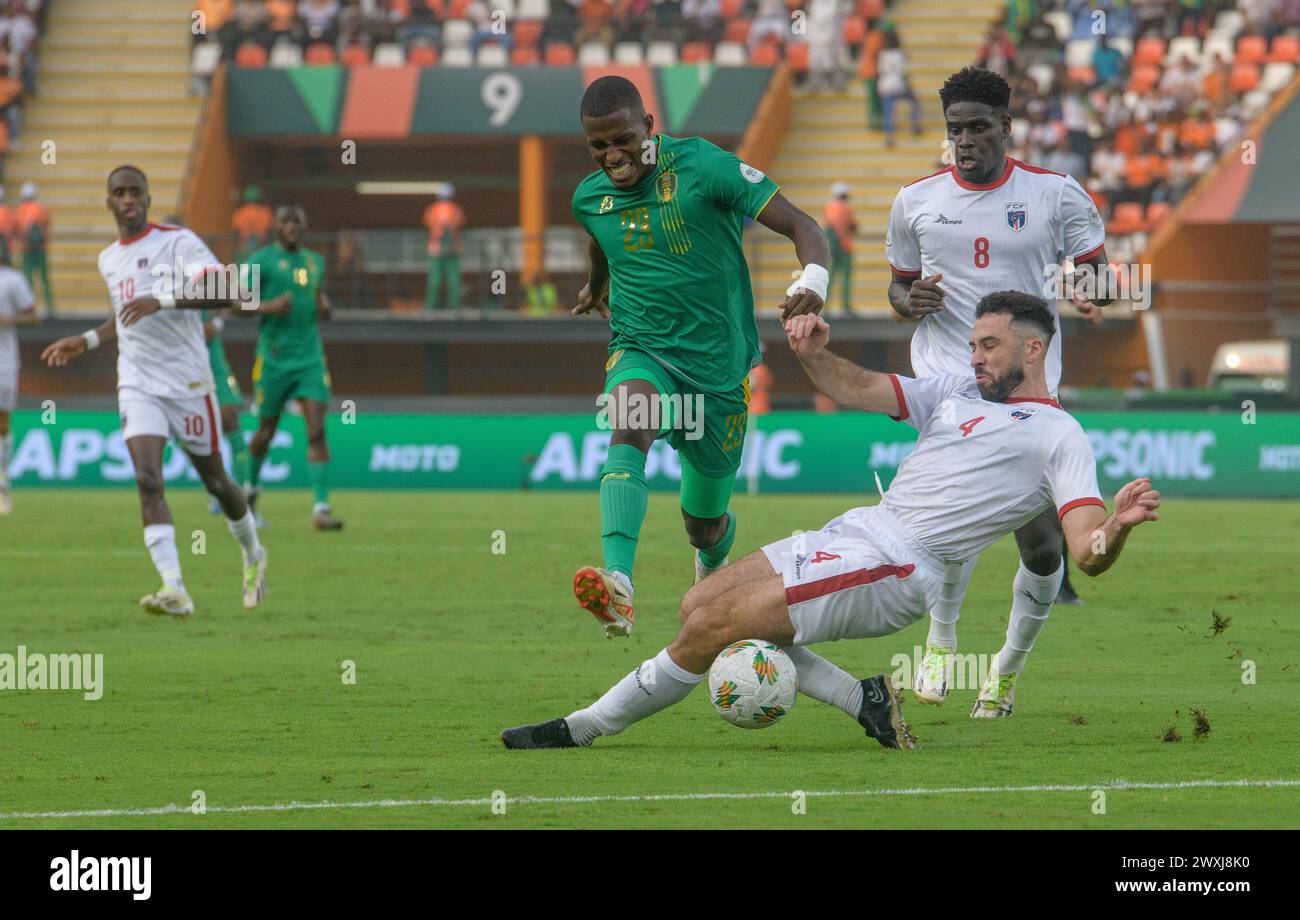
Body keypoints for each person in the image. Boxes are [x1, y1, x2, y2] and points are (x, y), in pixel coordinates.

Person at [501, 292, 1161, 748]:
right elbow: (855, 386)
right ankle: (865, 701)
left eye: (989, 345)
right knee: (697, 600)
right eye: (973, 344)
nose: (976, 356)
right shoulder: (958, 391)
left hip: (897, 569)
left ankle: (581, 728)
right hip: (860, 530)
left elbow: (1088, 549)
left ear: (1035, 348)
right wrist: (814, 351)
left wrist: (1120, 526)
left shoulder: (1059, 435)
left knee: (713, 629)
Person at [885, 67, 1114, 710]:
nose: (964, 140)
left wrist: (1091, 291)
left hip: (1026, 390)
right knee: (951, 531)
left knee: (1042, 546)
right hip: (949, 383)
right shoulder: (915, 200)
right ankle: (941, 643)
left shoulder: (1057, 194)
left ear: (1006, 128)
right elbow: (899, 286)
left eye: (978, 128)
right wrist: (910, 300)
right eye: (955, 129)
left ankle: (1006, 669)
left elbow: (1098, 274)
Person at [569, 75, 829, 639]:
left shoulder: (704, 168)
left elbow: (803, 225)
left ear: (649, 128)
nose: (613, 156)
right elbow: (602, 236)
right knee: (627, 425)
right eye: (598, 146)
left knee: (703, 525)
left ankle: (711, 575)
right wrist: (597, 286)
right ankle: (618, 584)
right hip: (643, 350)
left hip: (717, 374)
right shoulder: (591, 197)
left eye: (623, 139)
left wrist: (813, 281)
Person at [40, 166, 267, 616]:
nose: (128, 200)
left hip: (187, 382)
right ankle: (175, 588)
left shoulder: (177, 242)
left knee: (217, 481)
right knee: (148, 481)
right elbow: (123, 317)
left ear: (147, 197)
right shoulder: (109, 258)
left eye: (135, 192)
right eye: (119, 193)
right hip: (138, 382)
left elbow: (235, 293)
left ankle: (253, 555)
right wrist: (85, 341)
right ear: (108, 202)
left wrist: (162, 300)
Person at [241, 204, 343, 530]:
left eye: (297, 221)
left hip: (310, 358)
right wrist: (268, 306)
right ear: (277, 227)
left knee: (316, 427)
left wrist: (325, 308)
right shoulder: (260, 262)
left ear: (305, 225)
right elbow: (235, 302)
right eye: (286, 221)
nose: (292, 227)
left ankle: (321, 508)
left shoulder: (316, 262)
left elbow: (317, 300)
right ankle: (250, 492)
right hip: (272, 360)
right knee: (266, 431)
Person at [0, 246, 35, 513]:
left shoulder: (12, 280)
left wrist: (8, 319)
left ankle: (3, 483)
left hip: (4, 361)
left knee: (2, 422)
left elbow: (32, 316)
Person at [422, 183, 464, 311]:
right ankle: (452, 308)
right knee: (448, 281)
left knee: (441, 281)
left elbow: (427, 223)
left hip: (441, 249)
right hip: (447, 250)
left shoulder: (433, 209)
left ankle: (432, 308)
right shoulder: (454, 209)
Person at [877, 29, 922, 147]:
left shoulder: (883, 54)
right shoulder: (900, 54)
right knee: (914, 101)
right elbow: (904, 72)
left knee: (888, 112)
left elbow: (880, 70)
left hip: (885, 85)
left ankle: (889, 137)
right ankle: (915, 125)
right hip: (898, 84)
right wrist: (909, 86)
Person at [15, 182, 50, 315]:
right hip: (41, 249)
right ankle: (50, 307)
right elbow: (47, 225)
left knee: (28, 279)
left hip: (27, 249)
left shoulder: (21, 210)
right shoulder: (41, 208)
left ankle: (28, 308)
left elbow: (17, 228)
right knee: (44, 279)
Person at [823, 181, 856, 314]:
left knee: (831, 276)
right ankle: (846, 306)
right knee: (845, 277)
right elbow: (850, 226)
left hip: (832, 246)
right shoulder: (845, 208)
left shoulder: (829, 207)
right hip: (844, 246)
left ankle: (826, 306)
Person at [231, 184, 274, 263]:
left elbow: (236, 233)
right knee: (257, 273)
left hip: (243, 250)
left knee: (243, 273)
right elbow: (270, 232)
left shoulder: (239, 213)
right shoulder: (266, 213)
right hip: (260, 249)